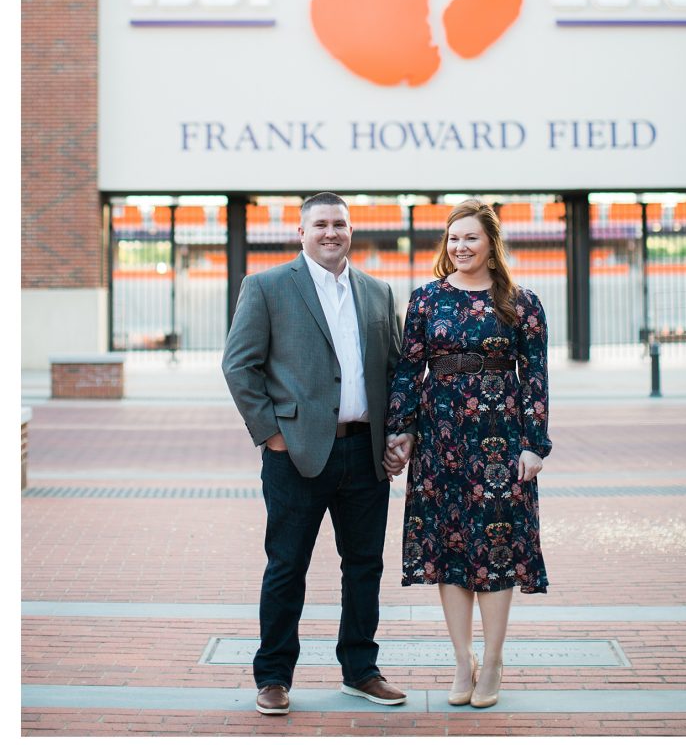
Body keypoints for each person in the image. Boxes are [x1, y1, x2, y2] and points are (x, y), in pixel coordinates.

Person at [222, 192, 406, 715]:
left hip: (365, 456)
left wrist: (398, 433)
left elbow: (393, 372)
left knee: (365, 565)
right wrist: (271, 434)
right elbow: (239, 366)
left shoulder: (377, 291)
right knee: (286, 567)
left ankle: (361, 670)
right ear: (301, 233)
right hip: (295, 455)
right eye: (320, 224)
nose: (331, 232)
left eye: (340, 224)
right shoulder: (267, 287)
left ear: (351, 231)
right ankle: (274, 676)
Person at [384, 198, 551, 709]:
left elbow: (535, 377)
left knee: (496, 548)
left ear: (491, 244)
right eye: (454, 239)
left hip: (500, 440)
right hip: (441, 441)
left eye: (471, 238)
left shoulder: (521, 303)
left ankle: (494, 659)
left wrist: (534, 443)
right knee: (450, 549)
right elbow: (410, 370)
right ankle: (463, 660)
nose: (460, 247)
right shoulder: (425, 300)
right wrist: (402, 429)